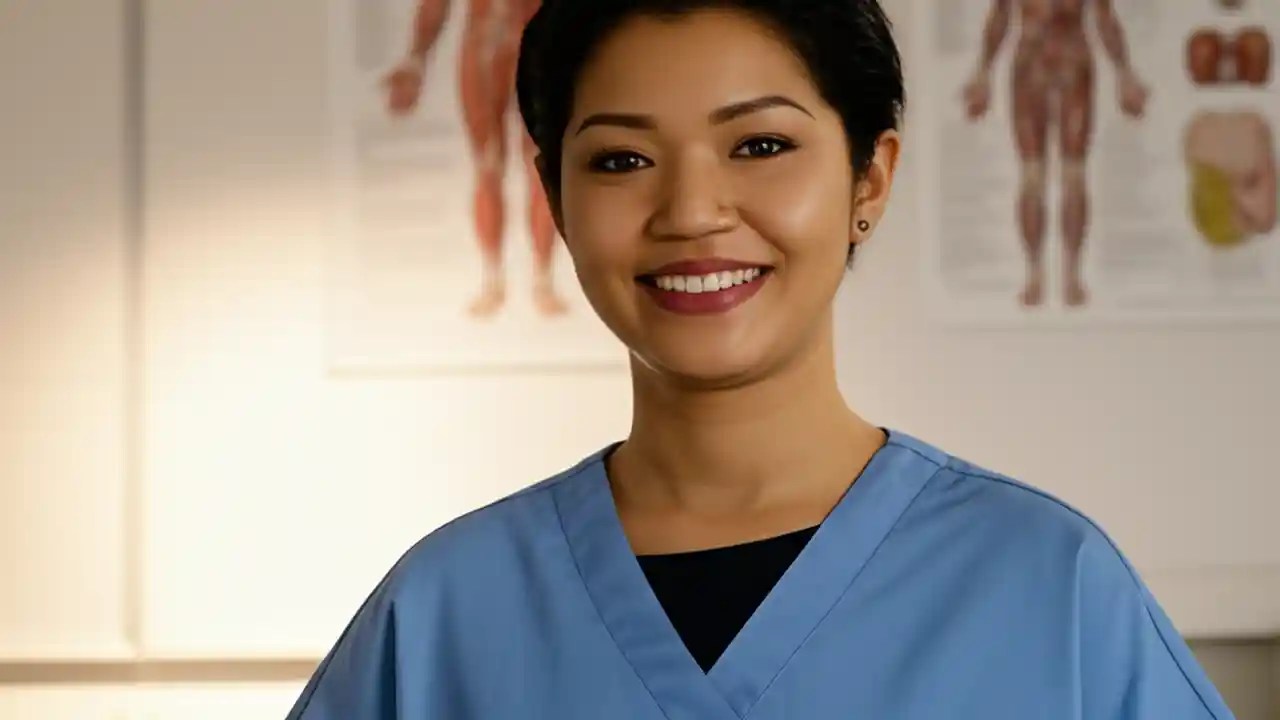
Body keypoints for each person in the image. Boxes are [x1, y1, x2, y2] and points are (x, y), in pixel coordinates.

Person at [288, 1, 1234, 717]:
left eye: (761, 144)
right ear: (556, 198)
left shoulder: (1046, 585)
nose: (692, 212)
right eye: (621, 160)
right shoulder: (443, 616)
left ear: (870, 178)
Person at [383, 0, 567, 318]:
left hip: (539, 44)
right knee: (488, 165)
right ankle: (494, 279)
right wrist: (415, 60)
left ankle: (541, 280)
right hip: (487, 44)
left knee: (541, 167)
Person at [963, 0, 1149, 308]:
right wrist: (983, 71)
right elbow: (1001, 14)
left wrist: (1124, 72)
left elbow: (1104, 16)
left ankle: (1071, 273)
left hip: (1073, 60)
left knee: (1073, 175)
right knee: (1032, 175)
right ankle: (1035, 272)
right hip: (1031, 63)